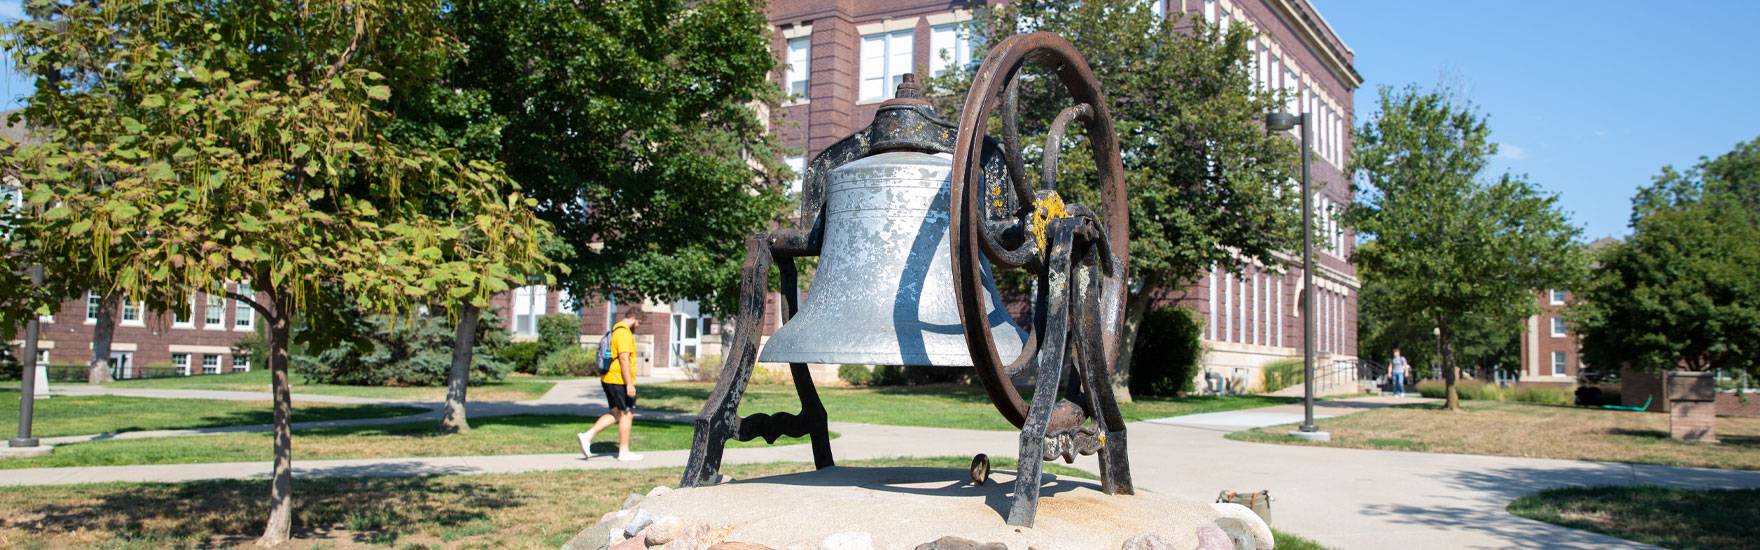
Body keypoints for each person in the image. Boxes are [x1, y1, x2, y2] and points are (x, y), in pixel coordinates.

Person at [578, 309, 644, 461]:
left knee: (616, 413)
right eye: (639, 323)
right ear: (634, 319)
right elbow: (623, 359)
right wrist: (629, 384)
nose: (638, 326)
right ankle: (624, 452)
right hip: (618, 380)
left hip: (610, 378)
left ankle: (586, 436)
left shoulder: (615, 330)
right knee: (627, 414)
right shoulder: (624, 333)